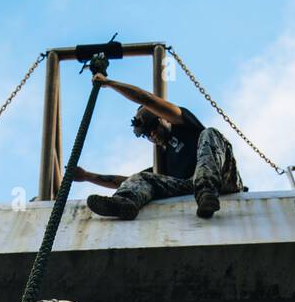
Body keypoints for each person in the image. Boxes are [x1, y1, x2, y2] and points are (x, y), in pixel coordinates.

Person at [77, 73, 246, 221]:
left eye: (153, 127)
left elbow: (147, 99)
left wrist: (110, 83)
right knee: (142, 177)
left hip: (223, 178)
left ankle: (207, 192)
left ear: (163, 118)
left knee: (210, 134)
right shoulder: (165, 160)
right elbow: (128, 181)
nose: (152, 135)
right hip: (190, 186)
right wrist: (86, 176)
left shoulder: (182, 123)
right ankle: (125, 204)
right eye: (146, 134)